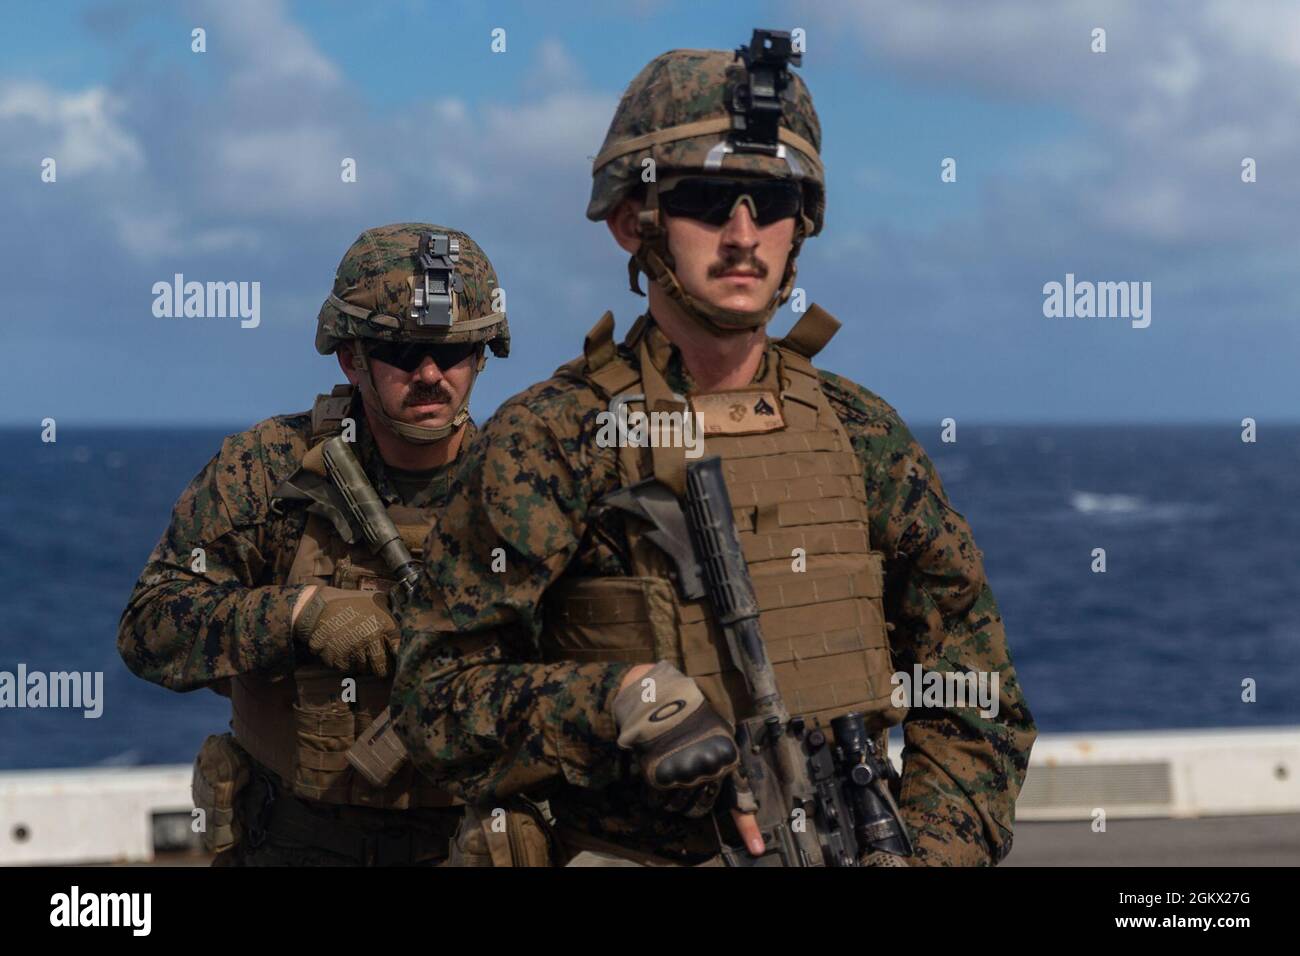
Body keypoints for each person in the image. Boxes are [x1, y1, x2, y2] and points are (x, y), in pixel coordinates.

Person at [391, 33, 1037, 866]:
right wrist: (617, 698)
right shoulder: (554, 440)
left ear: (799, 227)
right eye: (709, 199)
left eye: (770, 204)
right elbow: (435, 698)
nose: (743, 235)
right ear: (636, 220)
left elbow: (976, 694)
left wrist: (929, 854)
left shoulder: (859, 431)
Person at [118, 223, 508, 865]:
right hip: (295, 838)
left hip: (467, 840)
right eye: (404, 354)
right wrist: (296, 616)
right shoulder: (270, 467)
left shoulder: (519, 479)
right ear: (351, 357)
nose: (432, 375)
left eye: (457, 353)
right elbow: (149, 629)